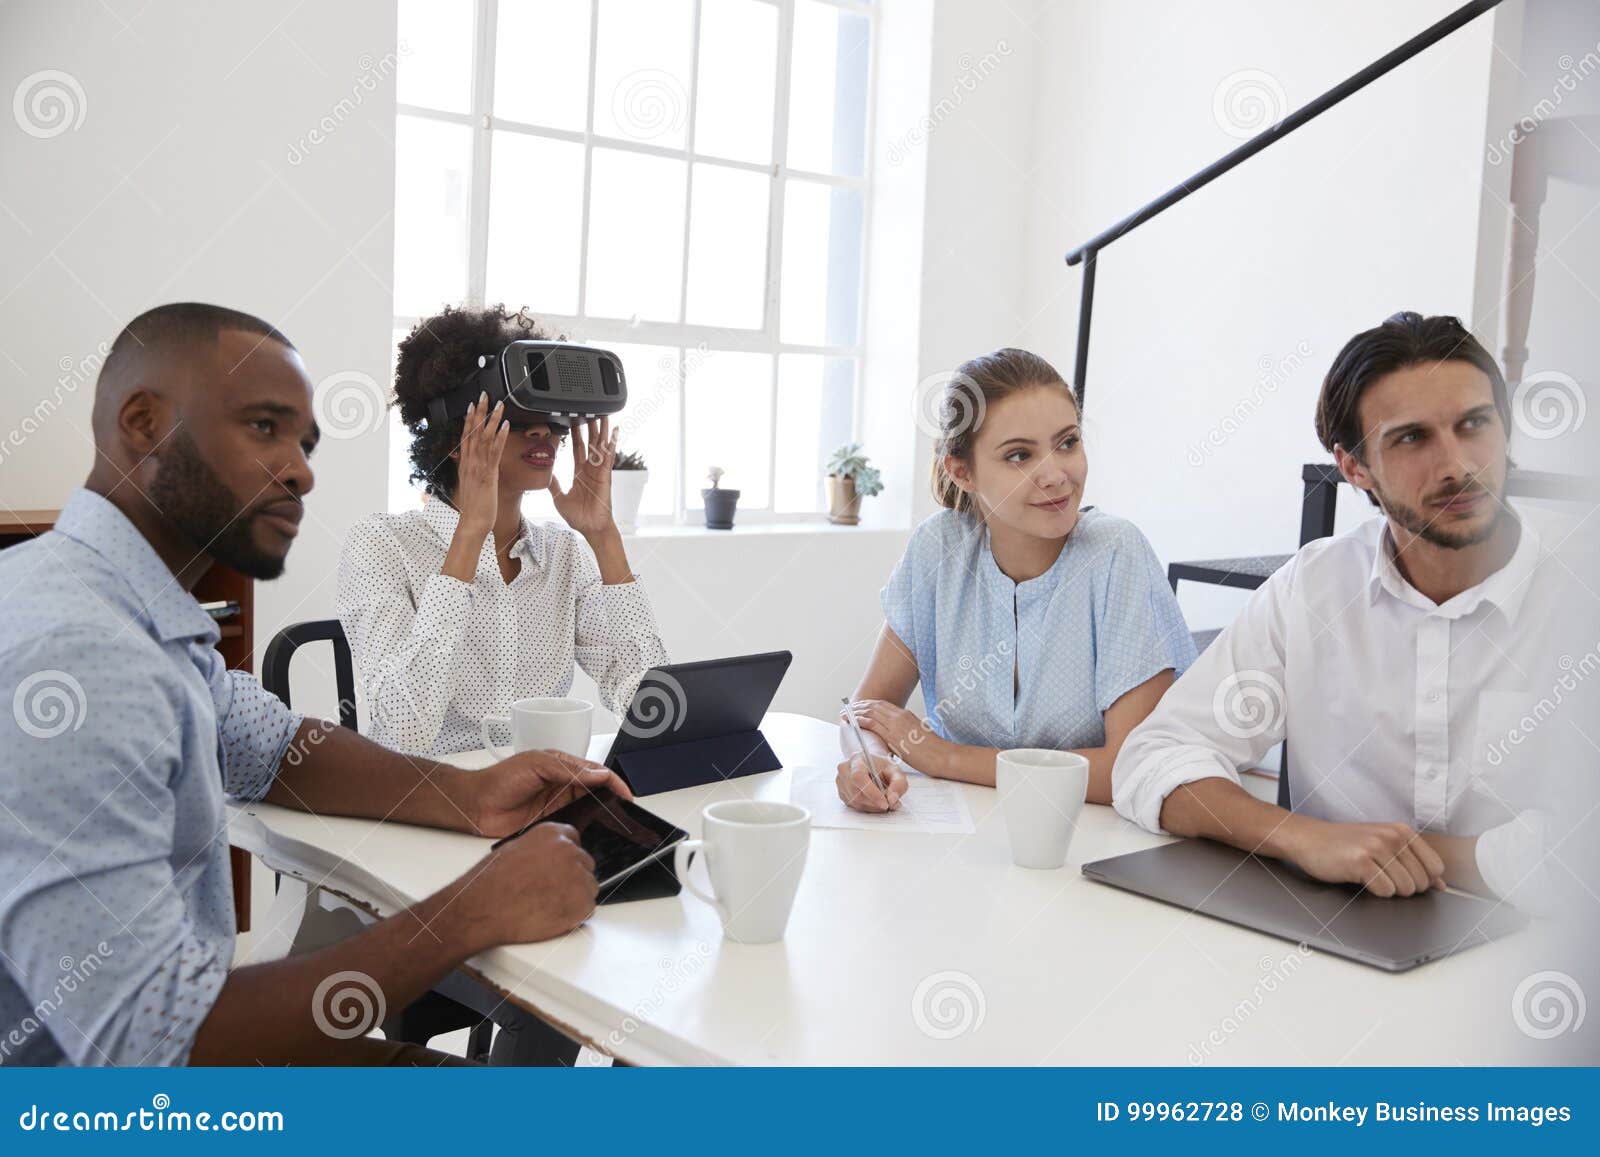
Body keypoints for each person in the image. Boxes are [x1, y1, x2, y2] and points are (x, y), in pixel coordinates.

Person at [0, 303, 630, 1066]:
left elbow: (272, 746)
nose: (300, 469)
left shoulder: (132, 608)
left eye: (304, 442)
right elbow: (145, 1044)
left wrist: (470, 795)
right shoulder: (80, 654)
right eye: (264, 427)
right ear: (142, 422)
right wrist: (471, 911)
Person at [1112, 312, 1584, 906]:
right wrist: (1305, 840)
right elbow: (1154, 758)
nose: (1457, 465)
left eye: (1474, 425)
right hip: (1336, 935)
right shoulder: (1314, 587)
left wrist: (1391, 853)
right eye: (1412, 438)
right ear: (1354, 466)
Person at [835, 348, 1196, 812]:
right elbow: (867, 713)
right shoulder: (938, 549)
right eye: (1020, 455)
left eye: (1067, 442)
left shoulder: (1115, 553)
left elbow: (1129, 767)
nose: (1056, 475)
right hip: (957, 835)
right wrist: (869, 763)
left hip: (1086, 836)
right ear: (962, 471)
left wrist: (946, 757)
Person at [337, 304, 668, 756]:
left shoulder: (563, 554)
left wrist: (605, 538)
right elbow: (402, 732)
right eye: (516, 416)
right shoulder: (381, 545)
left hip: (537, 797)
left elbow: (651, 713)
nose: (544, 433)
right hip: (428, 801)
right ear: (456, 438)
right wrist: (471, 535)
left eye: (555, 420)